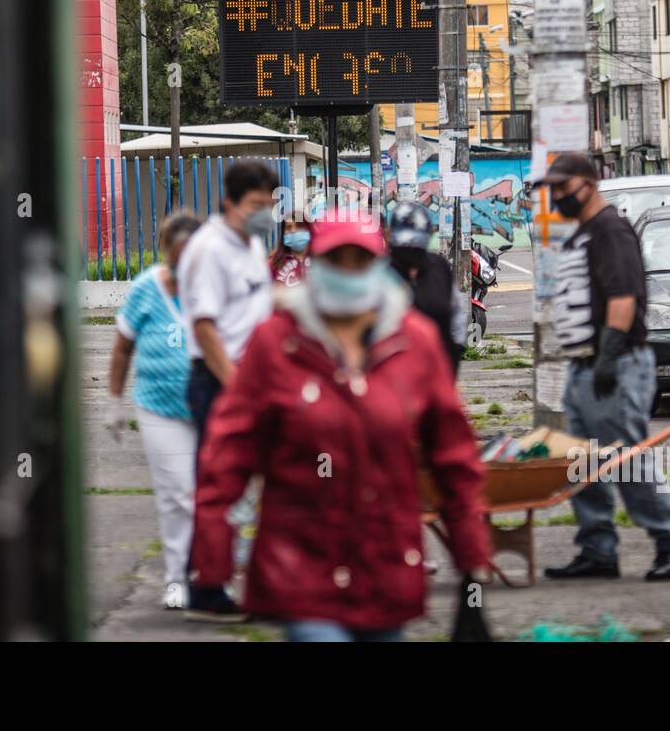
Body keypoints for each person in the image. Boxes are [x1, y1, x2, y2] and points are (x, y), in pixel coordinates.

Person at [189, 211, 492, 641]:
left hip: (388, 565)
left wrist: (471, 558)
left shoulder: (414, 344)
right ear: (315, 262)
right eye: (336, 261)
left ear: (378, 264)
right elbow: (227, 454)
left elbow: (455, 459)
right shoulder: (276, 344)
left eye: (361, 261)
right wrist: (213, 557)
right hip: (300, 567)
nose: (349, 272)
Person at [535, 153, 670, 582]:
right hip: (585, 366)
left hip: (614, 363)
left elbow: (623, 297)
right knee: (581, 463)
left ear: (588, 183)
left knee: (625, 458)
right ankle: (598, 550)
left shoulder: (610, 230)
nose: (556, 197)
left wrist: (607, 355)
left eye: (563, 188)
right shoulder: (584, 232)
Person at [176, 159, 278, 621]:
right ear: (228, 203)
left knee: (275, 482)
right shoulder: (209, 249)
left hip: (255, 380)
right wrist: (239, 390)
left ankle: (268, 582)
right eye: (256, 205)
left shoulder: (253, 245)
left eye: (270, 204)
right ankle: (208, 590)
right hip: (220, 381)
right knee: (218, 489)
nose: (265, 213)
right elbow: (205, 329)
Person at [107, 212, 203, 611]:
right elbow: (122, 347)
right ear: (167, 252)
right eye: (177, 256)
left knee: (214, 496)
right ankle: (178, 577)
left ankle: (211, 572)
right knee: (177, 495)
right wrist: (113, 402)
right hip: (160, 408)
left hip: (209, 405)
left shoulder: (211, 286)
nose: (185, 265)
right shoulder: (147, 288)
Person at [385, 200, 467, 373]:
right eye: (405, 244)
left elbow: (457, 311)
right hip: (394, 372)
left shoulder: (439, 268)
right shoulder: (381, 272)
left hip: (438, 368)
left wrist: (455, 351)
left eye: (417, 242)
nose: (411, 249)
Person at [269, 220, 309, 286]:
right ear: (283, 234)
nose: (293, 231)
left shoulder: (320, 260)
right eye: (288, 227)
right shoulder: (274, 263)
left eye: (299, 226)